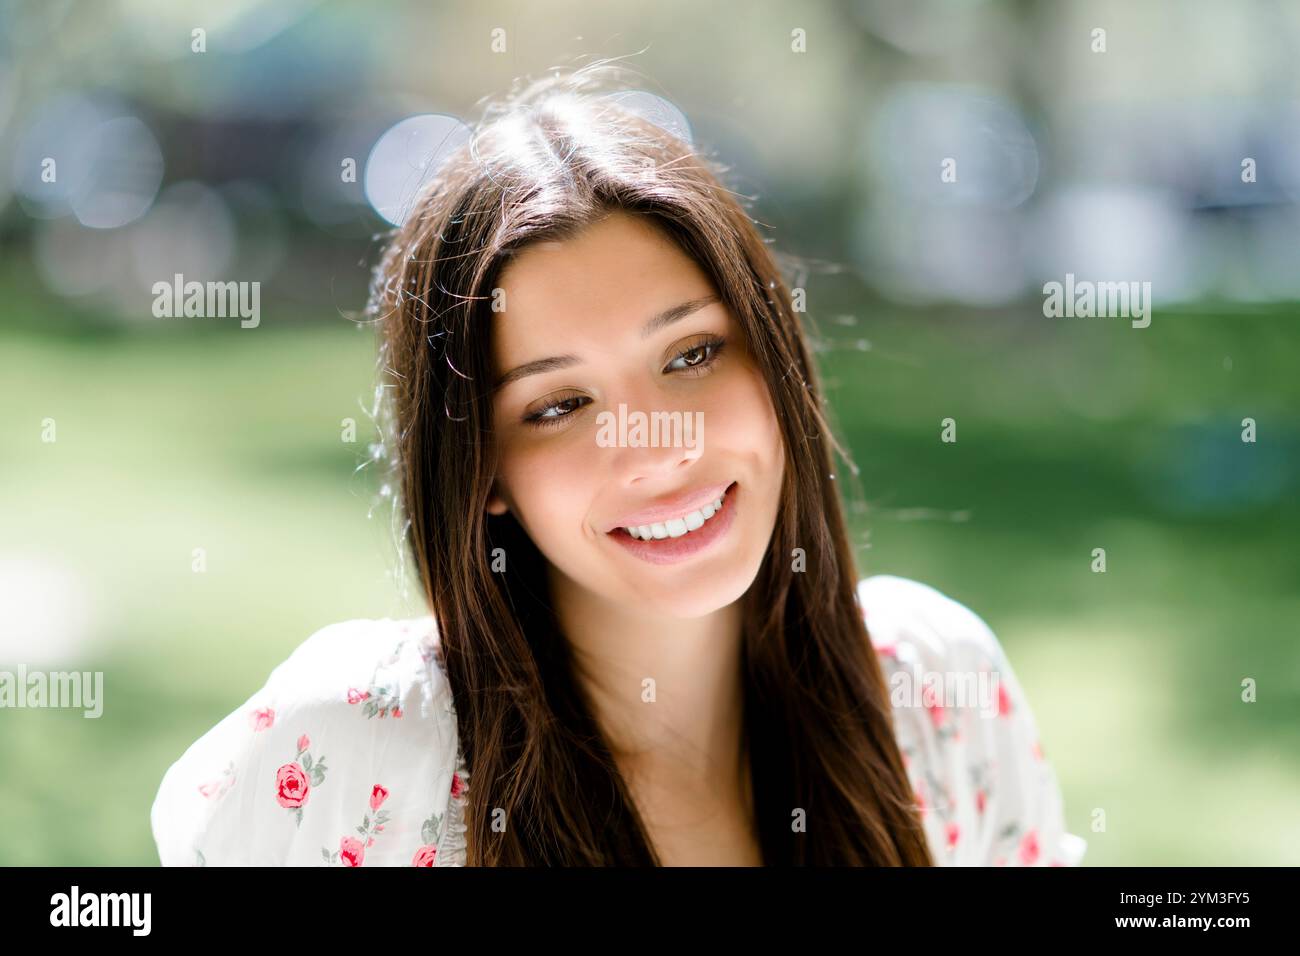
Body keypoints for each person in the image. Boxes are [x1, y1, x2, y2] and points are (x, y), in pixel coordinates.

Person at [151, 63, 1086, 867]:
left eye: (690, 355)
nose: (656, 451)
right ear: (484, 478)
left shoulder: (934, 695)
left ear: (776, 361)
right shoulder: (362, 747)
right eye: (559, 405)